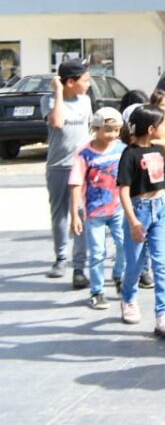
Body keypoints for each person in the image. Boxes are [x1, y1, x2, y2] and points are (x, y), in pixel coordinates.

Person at [117, 105, 165, 339]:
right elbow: (124, 189)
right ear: (151, 128)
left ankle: (164, 314)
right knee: (134, 264)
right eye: (162, 123)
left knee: (161, 263)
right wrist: (133, 221)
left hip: (160, 209)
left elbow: (163, 183)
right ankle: (129, 298)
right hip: (139, 211)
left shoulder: (160, 151)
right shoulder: (130, 154)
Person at [68, 107, 126, 310]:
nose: (112, 135)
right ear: (95, 128)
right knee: (97, 252)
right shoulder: (84, 154)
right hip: (94, 212)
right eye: (107, 130)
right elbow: (76, 183)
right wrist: (75, 213)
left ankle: (119, 275)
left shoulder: (122, 149)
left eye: (117, 130)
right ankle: (97, 291)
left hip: (119, 208)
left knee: (123, 245)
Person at [44, 58, 93, 287]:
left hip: (82, 166)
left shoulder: (86, 101)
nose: (89, 83)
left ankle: (79, 266)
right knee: (60, 215)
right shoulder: (50, 99)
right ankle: (61, 257)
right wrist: (58, 94)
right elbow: (57, 122)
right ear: (70, 81)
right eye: (85, 80)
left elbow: (91, 130)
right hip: (58, 166)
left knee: (80, 215)